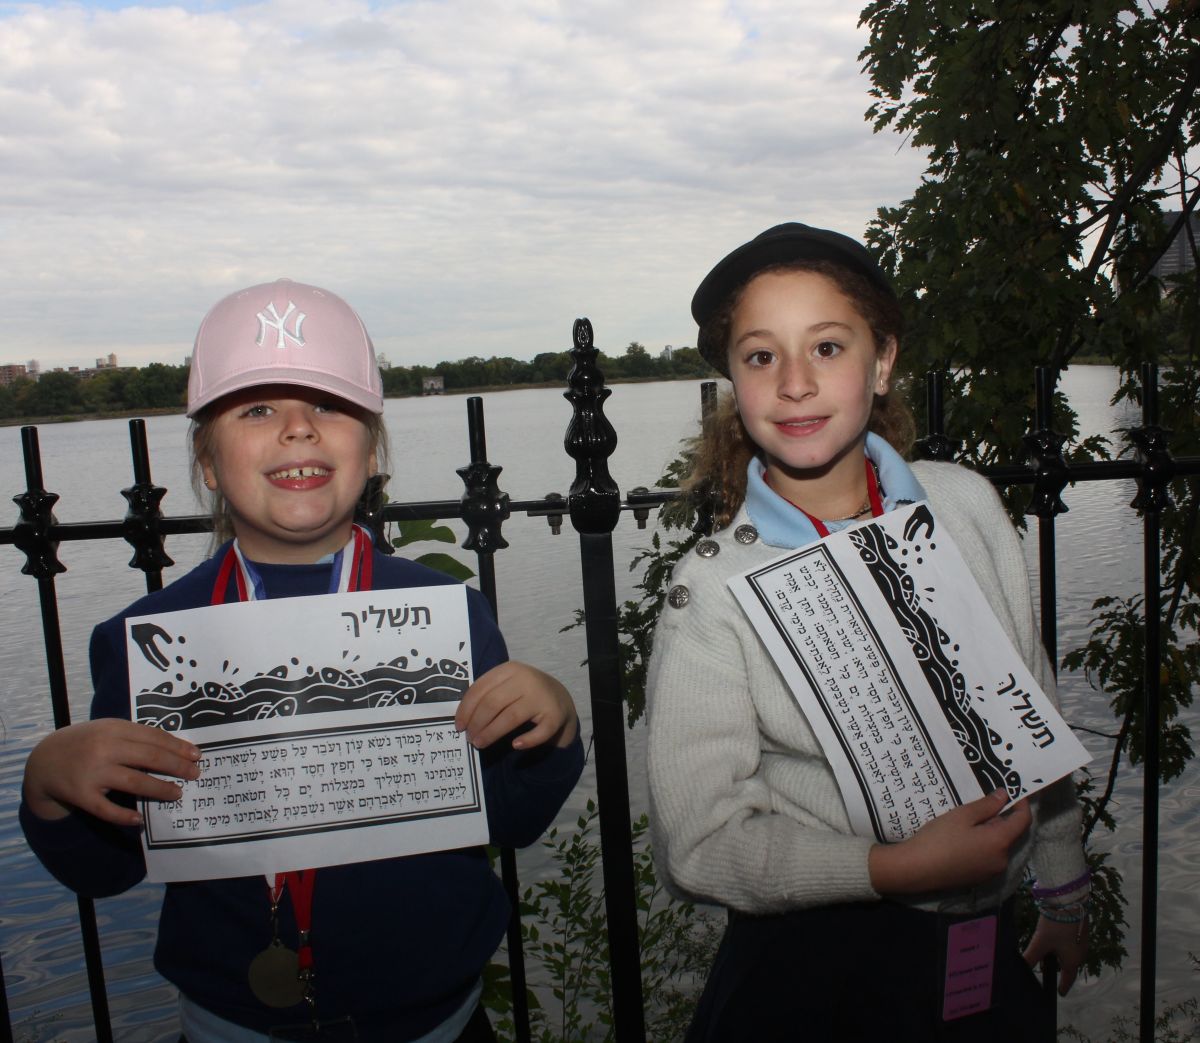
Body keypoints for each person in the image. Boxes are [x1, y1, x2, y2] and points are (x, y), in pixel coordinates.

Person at [20, 279, 584, 1043]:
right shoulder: (144, 637)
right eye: (256, 409)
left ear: (372, 446)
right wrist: (52, 786)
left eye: (329, 405)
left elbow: (514, 816)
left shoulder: (450, 617)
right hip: (231, 1026)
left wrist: (551, 725)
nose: (297, 430)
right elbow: (107, 866)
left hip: (442, 1024)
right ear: (208, 461)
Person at [645, 224, 1091, 1041]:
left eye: (826, 346)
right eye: (760, 356)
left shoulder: (964, 507)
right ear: (733, 384)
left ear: (882, 361)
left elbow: (1032, 705)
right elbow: (699, 843)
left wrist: (1061, 889)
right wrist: (889, 867)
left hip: (979, 952)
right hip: (815, 966)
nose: (794, 384)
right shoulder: (712, 591)